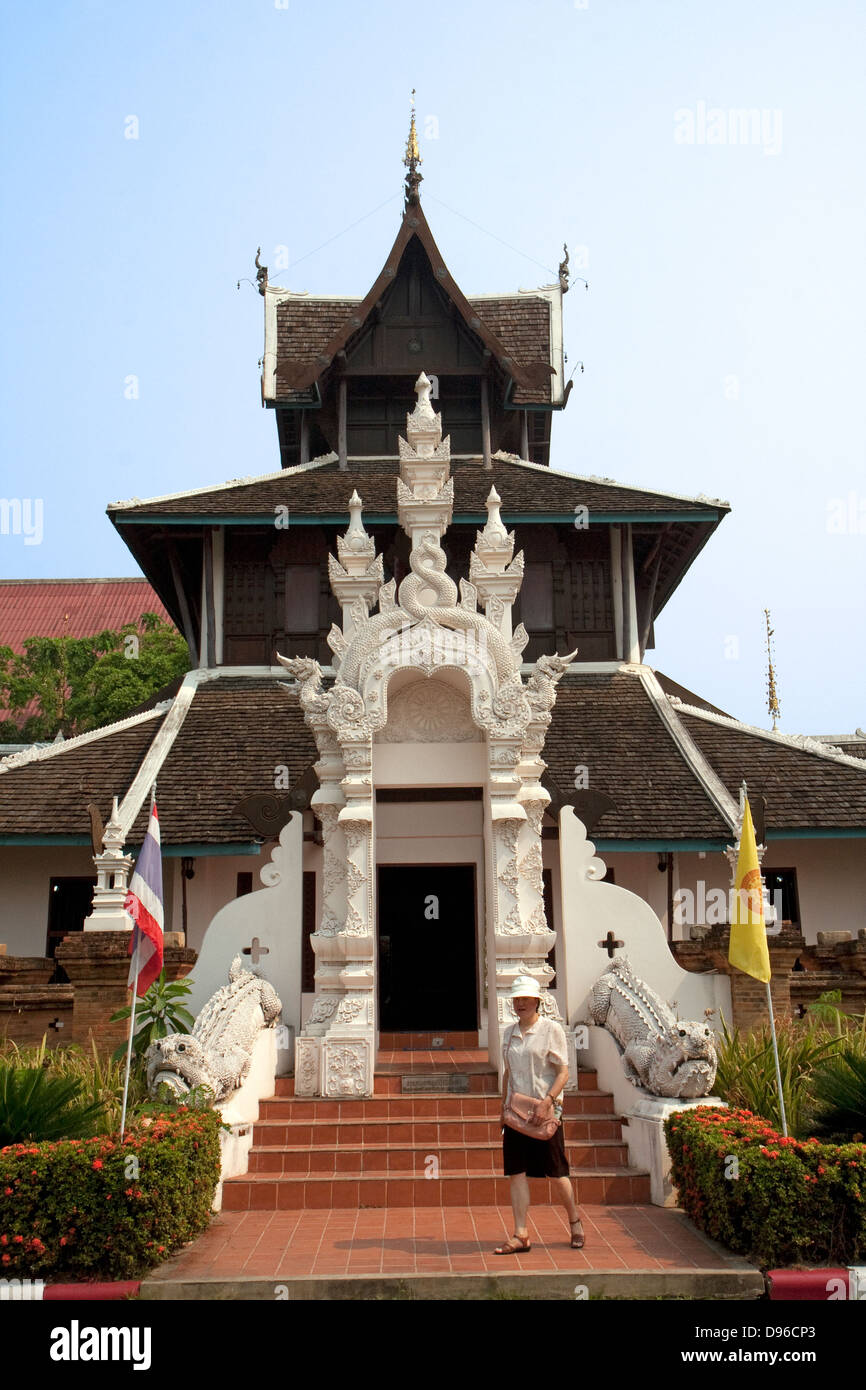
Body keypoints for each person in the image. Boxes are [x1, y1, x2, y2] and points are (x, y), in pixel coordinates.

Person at [494, 975, 585, 1254]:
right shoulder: (508, 1033)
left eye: (525, 999)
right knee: (516, 1173)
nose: (520, 1004)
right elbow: (508, 1073)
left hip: (545, 1113)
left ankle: (575, 1223)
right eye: (517, 999)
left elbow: (563, 1072)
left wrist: (548, 1102)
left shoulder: (551, 1030)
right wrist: (503, 1108)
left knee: (557, 1173)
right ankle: (520, 1233)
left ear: (537, 1001)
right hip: (516, 1114)